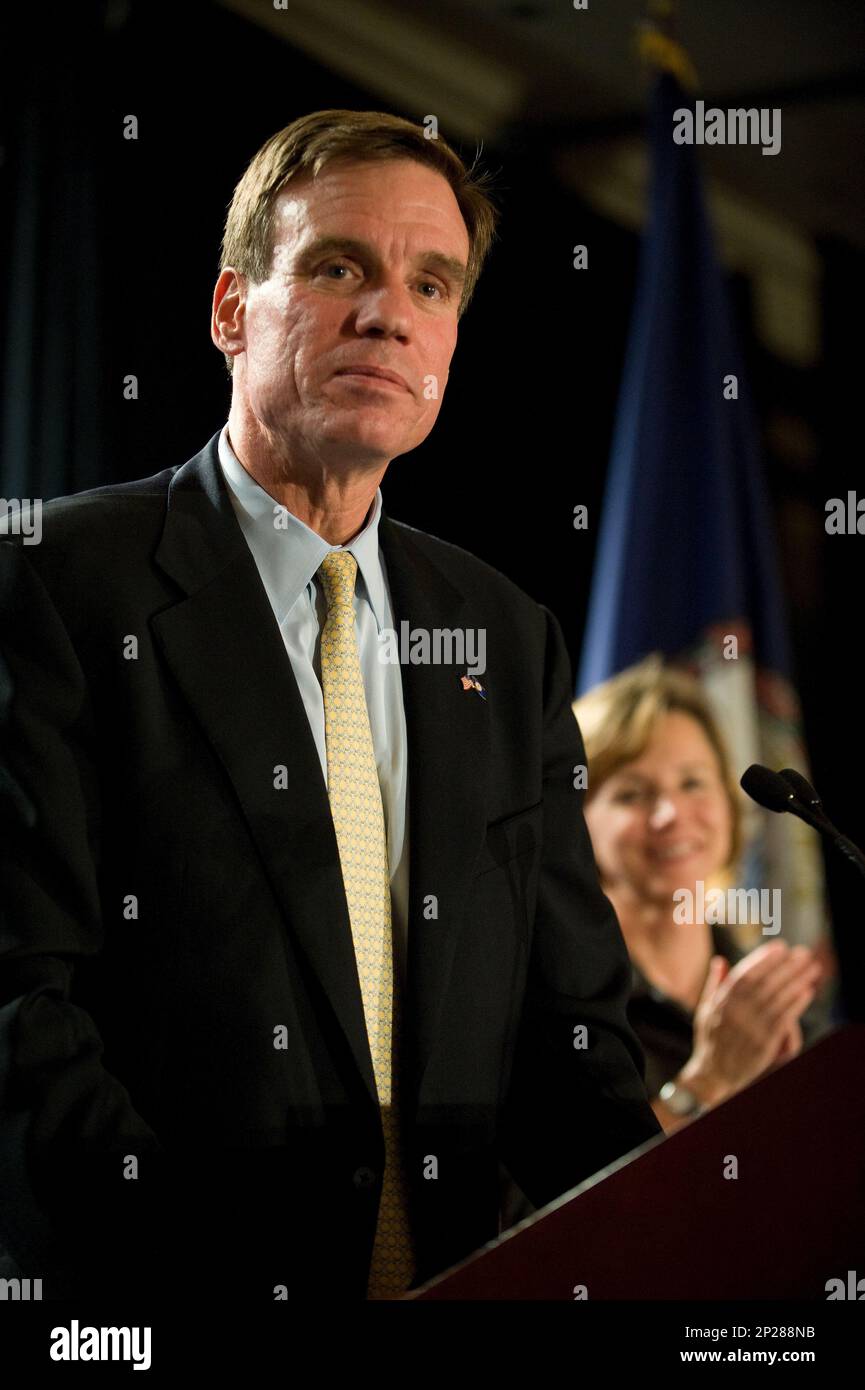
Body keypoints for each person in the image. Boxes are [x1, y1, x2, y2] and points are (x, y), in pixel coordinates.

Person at [0, 110, 662, 1303]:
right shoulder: (58, 581)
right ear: (228, 308)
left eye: (431, 283)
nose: (386, 314)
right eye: (338, 267)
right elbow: (17, 1010)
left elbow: (575, 1048)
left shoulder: (506, 638)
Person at [573, 657, 833, 1134]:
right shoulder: (563, 1011)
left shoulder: (777, 1001)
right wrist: (707, 1084)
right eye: (632, 794)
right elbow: (549, 1207)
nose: (670, 814)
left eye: (693, 782)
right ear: (577, 821)